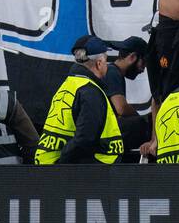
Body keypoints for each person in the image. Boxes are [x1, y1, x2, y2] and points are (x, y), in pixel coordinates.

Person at [35, 36, 123, 165]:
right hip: (79, 172)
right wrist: (60, 166)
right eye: (106, 60)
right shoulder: (90, 91)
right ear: (99, 63)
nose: (107, 65)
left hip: (49, 165)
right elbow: (85, 139)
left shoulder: (69, 84)